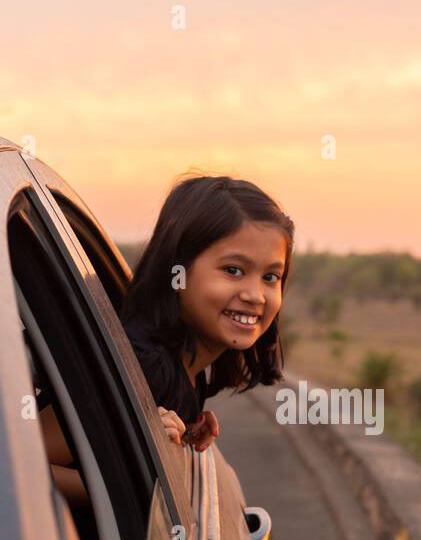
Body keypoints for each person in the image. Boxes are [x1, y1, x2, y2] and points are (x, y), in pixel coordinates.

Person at [120, 175, 294, 451]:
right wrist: (146, 451)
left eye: (271, 276)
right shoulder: (142, 368)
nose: (255, 294)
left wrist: (185, 433)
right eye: (233, 270)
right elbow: (32, 462)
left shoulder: (189, 374)